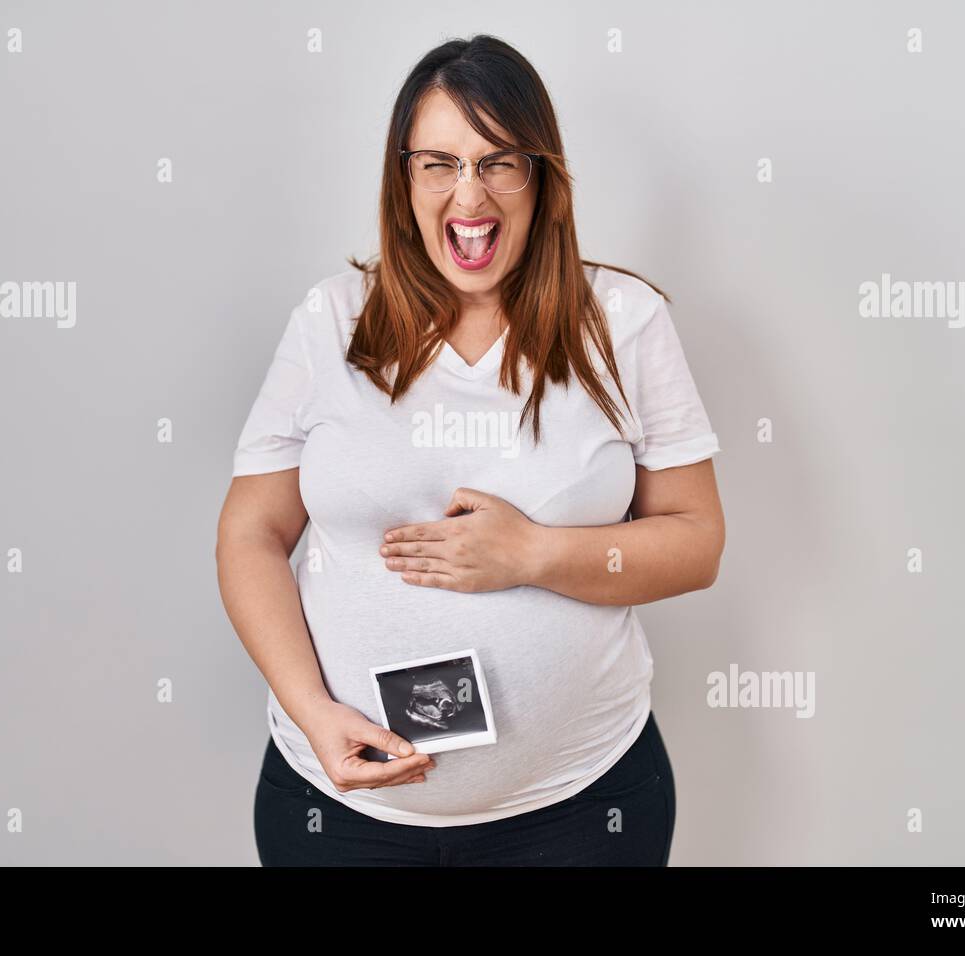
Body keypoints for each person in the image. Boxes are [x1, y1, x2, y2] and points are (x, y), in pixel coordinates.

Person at [216, 34, 725, 866]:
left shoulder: (624, 323)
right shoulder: (330, 321)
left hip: (579, 809)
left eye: (498, 162)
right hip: (341, 814)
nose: (469, 193)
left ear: (542, 181)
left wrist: (533, 553)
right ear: (403, 180)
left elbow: (697, 541)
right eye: (439, 164)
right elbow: (250, 535)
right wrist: (311, 709)